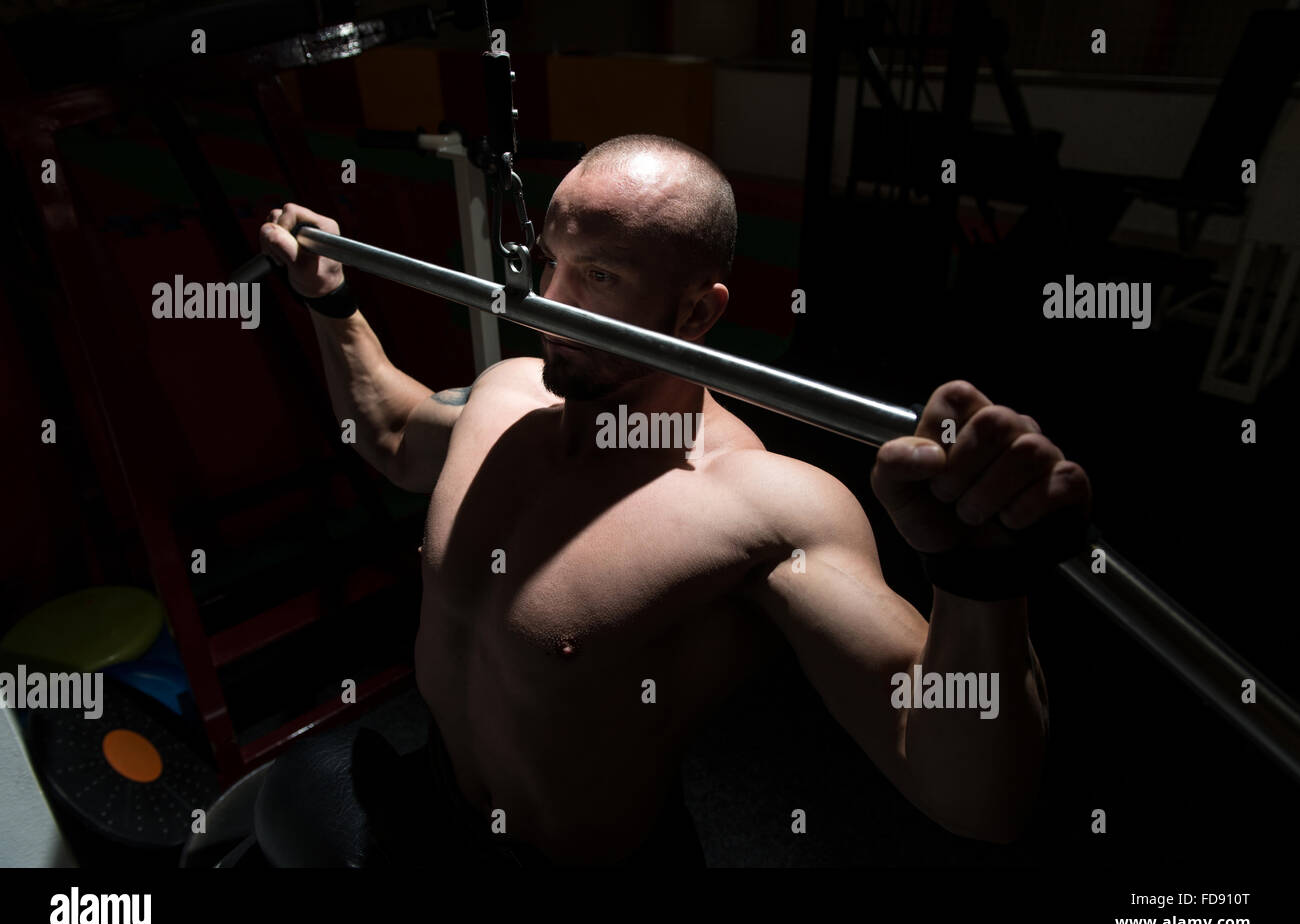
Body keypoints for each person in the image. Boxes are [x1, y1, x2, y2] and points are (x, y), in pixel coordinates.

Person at [255, 133, 1090, 867]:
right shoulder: (507, 395)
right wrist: (333, 301)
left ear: (697, 309)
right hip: (434, 797)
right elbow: (396, 435)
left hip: (578, 865)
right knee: (280, 803)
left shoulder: (765, 509)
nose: (553, 299)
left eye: (600, 274)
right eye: (551, 260)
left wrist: (979, 589)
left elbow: (974, 799)